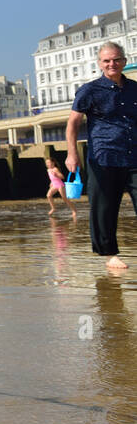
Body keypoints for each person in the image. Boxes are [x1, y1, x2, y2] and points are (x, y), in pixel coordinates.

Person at [66, 41, 137, 271]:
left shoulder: (134, 89)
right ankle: (109, 255)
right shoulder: (89, 90)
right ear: (100, 64)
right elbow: (73, 123)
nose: (112, 64)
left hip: (134, 155)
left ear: (124, 62)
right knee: (104, 208)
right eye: (107, 61)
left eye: (116, 59)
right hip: (104, 157)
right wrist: (72, 154)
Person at [44, 150, 75, 219]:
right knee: (48, 195)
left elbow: (62, 177)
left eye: (49, 163)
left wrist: (56, 175)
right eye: (47, 163)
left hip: (60, 185)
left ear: (53, 163)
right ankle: (53, 208)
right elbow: (52, 178)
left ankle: (74, 210)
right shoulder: (48, 170)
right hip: (54, 185)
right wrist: (51, 182)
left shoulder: (55, 169)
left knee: (64, 198)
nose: (48, 164)